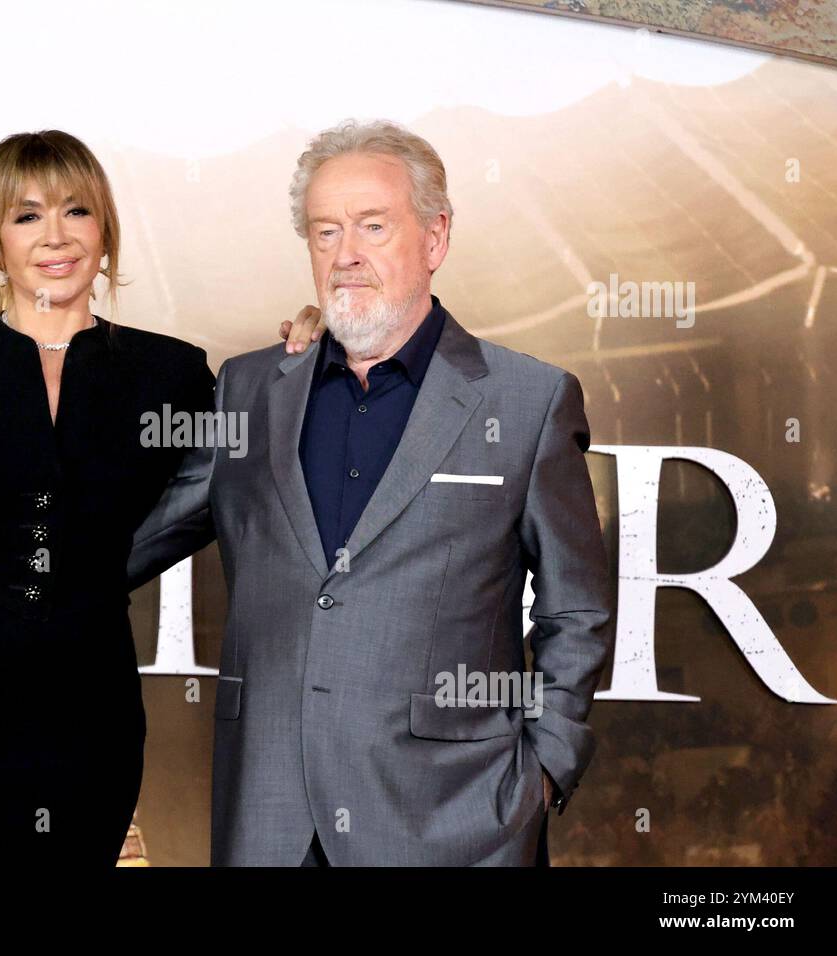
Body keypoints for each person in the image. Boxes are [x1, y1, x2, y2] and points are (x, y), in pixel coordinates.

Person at [128, 118, 615, 866]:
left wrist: (542, 771)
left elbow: (575, 610)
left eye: (372, 226)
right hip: (271, 820)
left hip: (456, 824)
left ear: (436, 238)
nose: (345, 254)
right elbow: (132, 540)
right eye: (324, 233)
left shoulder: (528, 402)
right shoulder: (250, 389)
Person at [0, 129, 321, 866]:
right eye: (27, 215)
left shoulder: (172, 375)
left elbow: (247, 468)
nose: (55, 238)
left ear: (106, 231)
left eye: (76, 212)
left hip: (87, 716)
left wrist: (304, 360)